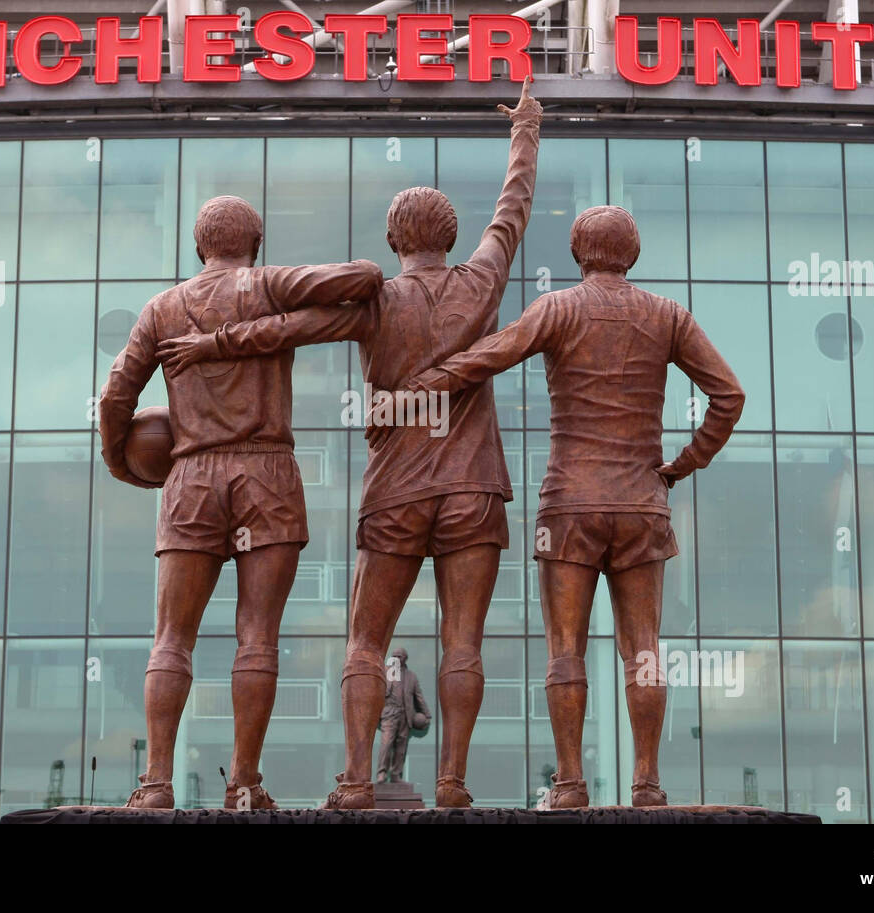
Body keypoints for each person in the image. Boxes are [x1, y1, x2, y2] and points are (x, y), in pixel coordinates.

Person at [157, 79, 543, 808]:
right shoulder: (484, 279)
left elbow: (289, 328)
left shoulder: (375, 301)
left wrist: (212, 342)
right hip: (473, 487)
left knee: (367, 641)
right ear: (451, 238)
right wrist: (526, 129)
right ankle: (453, 781)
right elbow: (513, 209)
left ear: (395, 242)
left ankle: (358, 779)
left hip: (396, 489)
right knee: (464, 641)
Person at [401, 205, 744, 808]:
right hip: (642, 501)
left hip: (570, 504)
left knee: (566, 649)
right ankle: (647, 782)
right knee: (643, 646)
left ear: (579, 253)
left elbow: (494, 354)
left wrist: (431, 379)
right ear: (631, 255)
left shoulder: (559, 308)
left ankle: (569, 782)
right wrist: (687, 461)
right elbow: (729, 395)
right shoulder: (667, 316)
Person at [98, 195, 382, 810]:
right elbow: (365, 277)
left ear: (200, 246)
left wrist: (122, 463)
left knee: (171, 638)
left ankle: (155, 785)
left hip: (192, 476)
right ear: (255, 242)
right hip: (266, 473)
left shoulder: (163, 307)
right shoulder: (269, 284)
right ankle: (244, 784)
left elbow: (114, 396)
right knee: (258, 637)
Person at [376, 647, 431, 784]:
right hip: (389, 713)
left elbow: (419, 697)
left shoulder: (411, 676)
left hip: (405, 715)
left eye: (399, 656)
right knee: (386, 743)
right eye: (394, 656)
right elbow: (375, 694)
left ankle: (395, 775)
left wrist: (427, 714)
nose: (396, 658)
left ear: (405, 659)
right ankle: (382, 773)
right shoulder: (384, 673)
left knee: (401, 748)